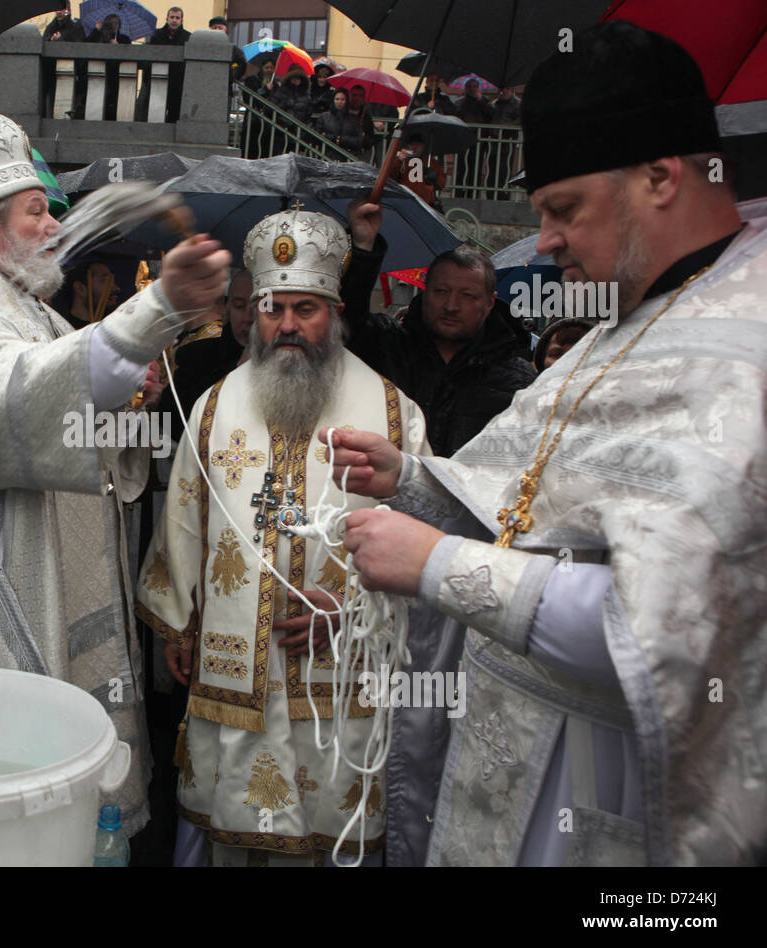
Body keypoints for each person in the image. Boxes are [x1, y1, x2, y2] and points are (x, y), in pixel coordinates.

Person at [327, 20, 766, 866]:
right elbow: (531, 504)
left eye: (564, 210)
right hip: (509, 754)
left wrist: (434, 565)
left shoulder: (742, 350)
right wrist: (414, 481)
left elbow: (667, 632)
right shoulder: (622, 315)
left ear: (661, 178)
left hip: (612, 802)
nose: (550, 239)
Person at [0, 112, 231, 837]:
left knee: (65, 797)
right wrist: (154, 309)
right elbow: (12, 414)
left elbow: (72, 428)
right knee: (9, 798)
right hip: (3, 584)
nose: (54, 227)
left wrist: (128, 404)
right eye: (36, 213)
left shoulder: (37, 315)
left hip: (63, 568)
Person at [136, 209, 429, 866]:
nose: (288, 325)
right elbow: (186, 516)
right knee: (235, 839)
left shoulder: (393, 414)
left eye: (306, 308)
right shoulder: (214, 407)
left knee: (333, 842)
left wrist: (356, 613)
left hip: (342, 679)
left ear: (335, 311)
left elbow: (428, 547)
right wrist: (180, 624)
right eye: (273, 309)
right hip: (238, 677)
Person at [340, 210, 535, 456]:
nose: (451, 306)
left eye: (467, 296)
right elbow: (347, 318)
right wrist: (364, 248)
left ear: (489, 302)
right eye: (441, 291)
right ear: (425, 290)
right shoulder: (386, 347)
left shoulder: (517, 381)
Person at [163, 268, 251, 445]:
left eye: (261, 307)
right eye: (240, 306)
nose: (249, 317)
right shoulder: (196, 356)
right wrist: (232, 376)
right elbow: (172, 424)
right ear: (228, 306)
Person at [58, 260, 121, 329]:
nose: (116, 288)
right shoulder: (62, 330)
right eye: (105, 281)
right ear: (80, 288)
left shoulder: (113, 330)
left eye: (111, 281)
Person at [391, 132, 446, 207]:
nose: (415, 147)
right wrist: (398, 161)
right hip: (404, 201)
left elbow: (441, 185)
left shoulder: (431, 162)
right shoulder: (401, 161)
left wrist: (435, 177)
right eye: (412, 144)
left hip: (426, 203)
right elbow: (391, 178)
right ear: (407, 146)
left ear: (423, 146)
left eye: (418, 145)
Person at [315, 88, 369, 156]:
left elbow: (359, 140)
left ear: (346, 101)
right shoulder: (324, 117)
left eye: (342, 99)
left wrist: (341, 140)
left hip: (347, 155)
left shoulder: (354, 119)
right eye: (337, 99)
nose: (339, 102)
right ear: (333, 100)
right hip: (327, 155)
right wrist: (334, 138)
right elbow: (317, 137)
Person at [207, 16, 246, 89]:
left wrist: (231, 74)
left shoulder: (233, 50)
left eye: (220, 28)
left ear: (225, 31)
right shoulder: (204, 47)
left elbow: (240, 64)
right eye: (214, 27)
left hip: (225, 87)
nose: (217, 30)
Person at [344, 85, 378, 159]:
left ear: (363, 98)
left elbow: (370, 138)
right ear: (349, 96)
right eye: (354, 95)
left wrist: (363, 139)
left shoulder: (366, 118)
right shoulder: (342, 113)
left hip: (359, 154)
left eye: (360, 96)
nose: (357, 98)